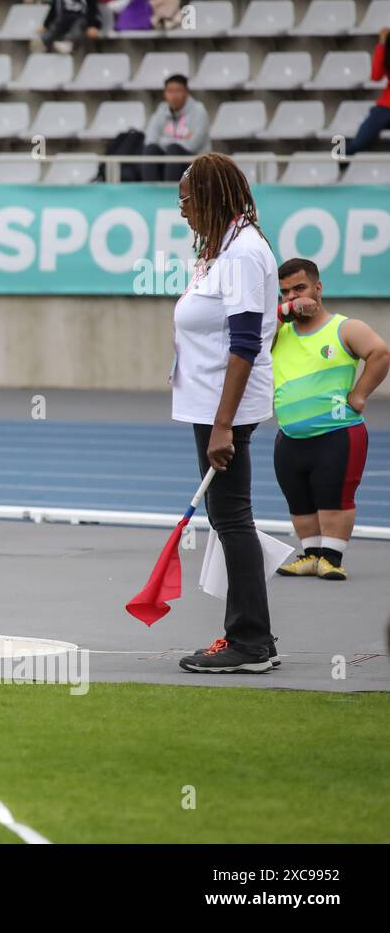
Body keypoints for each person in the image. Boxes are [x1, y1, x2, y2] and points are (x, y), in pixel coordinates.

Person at [171, 153, 279, 675]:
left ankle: (249, 641)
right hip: (215, 402)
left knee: (232, 518)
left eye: (187, 199)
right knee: (228, 517)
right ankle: (253, 635)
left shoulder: (241, 254)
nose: (182, 210)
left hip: (224, 409)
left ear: (211, 197)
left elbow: (244, 342)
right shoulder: (223, 248)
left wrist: (222, 423)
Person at [271, 258, 389, 581]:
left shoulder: (344, 327)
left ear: (318, 287)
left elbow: (380, 353)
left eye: (300, 288)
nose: (293, 297)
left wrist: (360, 393)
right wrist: (283, 313)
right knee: (298, 498)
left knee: (333, 496)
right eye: (285, 293)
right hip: (291, 438)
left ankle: (332, 557)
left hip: (337, 435)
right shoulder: (277, 332)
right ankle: (310, 555)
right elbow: (248, 335)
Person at [141, 74, 210, 182]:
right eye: (170, 91)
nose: (173, 95)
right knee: (151, 150)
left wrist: (165, 141)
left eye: (178, 90)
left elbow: (193, 145)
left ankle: (170, 193)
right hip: (168, 161)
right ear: (165, 93)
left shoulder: (199, 111)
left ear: (186, 92)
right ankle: (151, 192)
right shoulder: (161, 110)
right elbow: (150, 139)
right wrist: (179, 140)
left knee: (174, 150)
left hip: (194, 163)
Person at [347, 28, 390, 157]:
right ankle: (333, 162)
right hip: (385, 107)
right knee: (359, 142)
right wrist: (382, 44)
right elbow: (376, 76)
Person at [31, 0, 101, 55]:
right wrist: (46, 25)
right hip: (65, 16)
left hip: (81, 17)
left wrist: (93, 25)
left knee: (78, 26)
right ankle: (43, 43)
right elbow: (54, 8)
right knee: (56, 26)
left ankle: (69, 43)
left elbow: (92, 7)